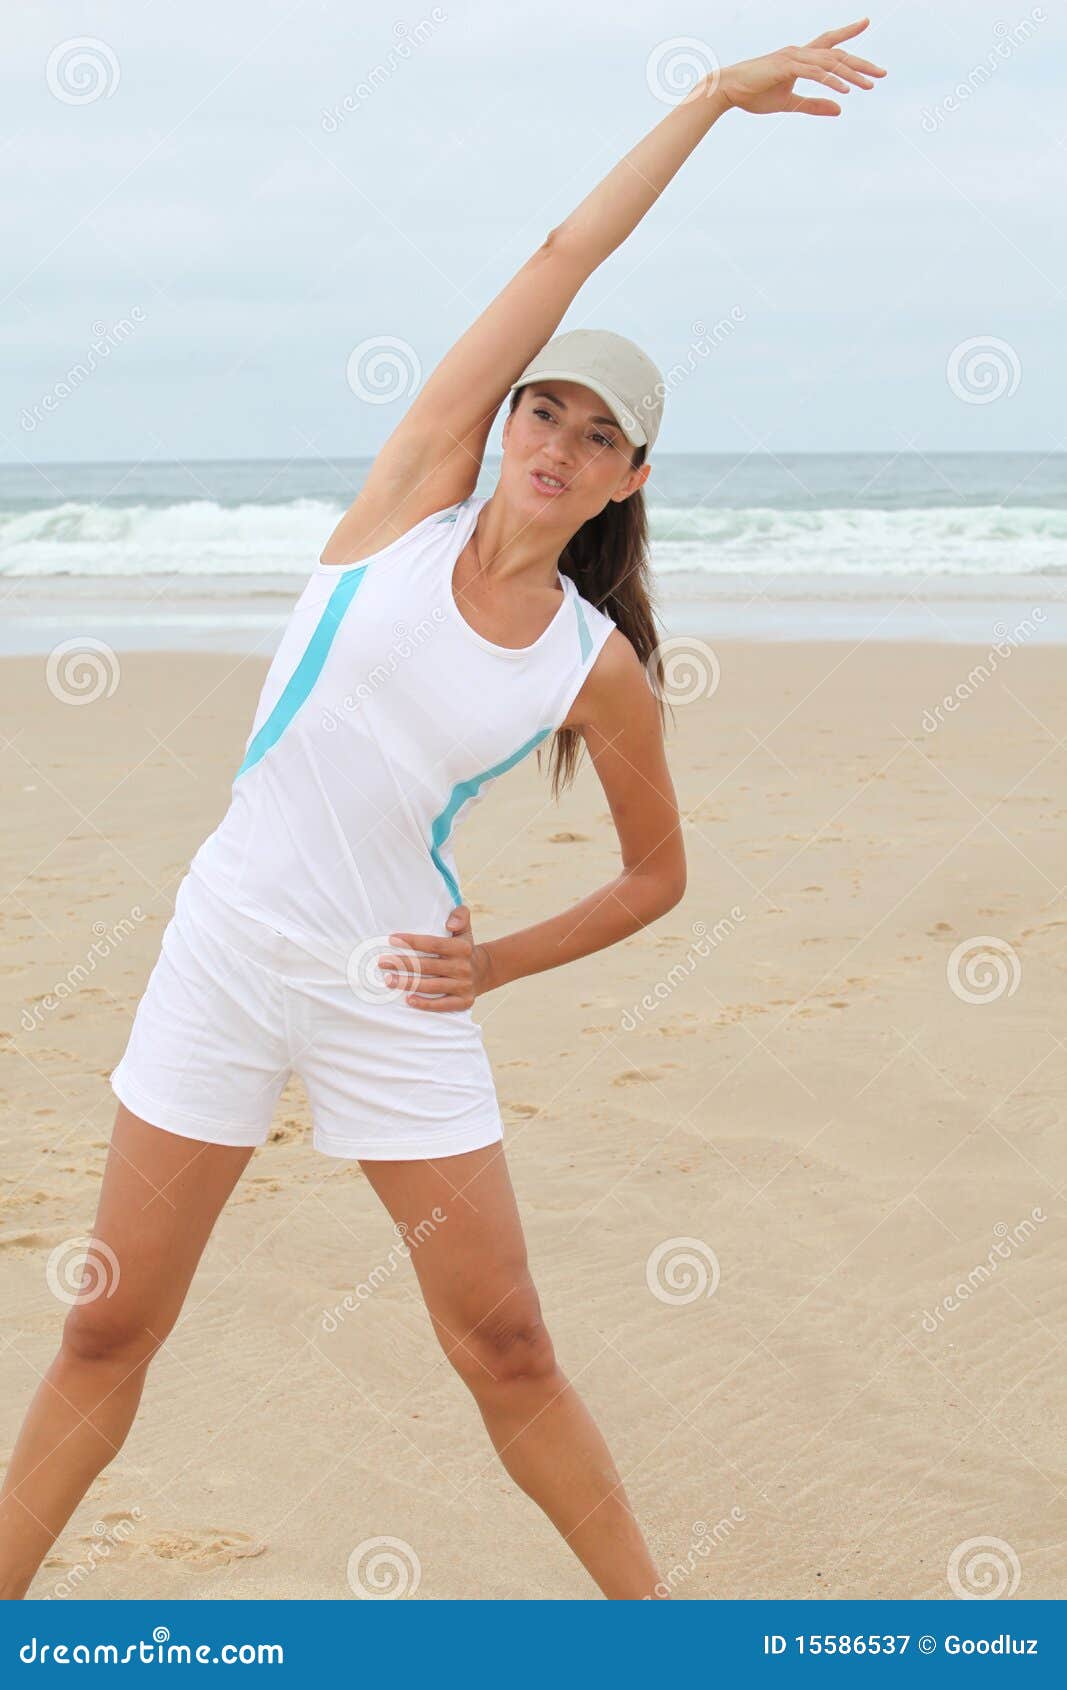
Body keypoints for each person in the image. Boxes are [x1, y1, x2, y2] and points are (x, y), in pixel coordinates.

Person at [0, 21, 885, 1601]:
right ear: (509, 423)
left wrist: (495, 963)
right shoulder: (410, 494)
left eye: (600, 435)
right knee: (108, 1323)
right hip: (228, 948)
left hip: (391, 988)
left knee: (508, 1341)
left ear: (627, 480)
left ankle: (658, 1639)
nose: (560, 443)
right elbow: (562, 252)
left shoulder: (594, 666)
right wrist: (705, 102)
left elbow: (660, 876)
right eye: (547, 412)